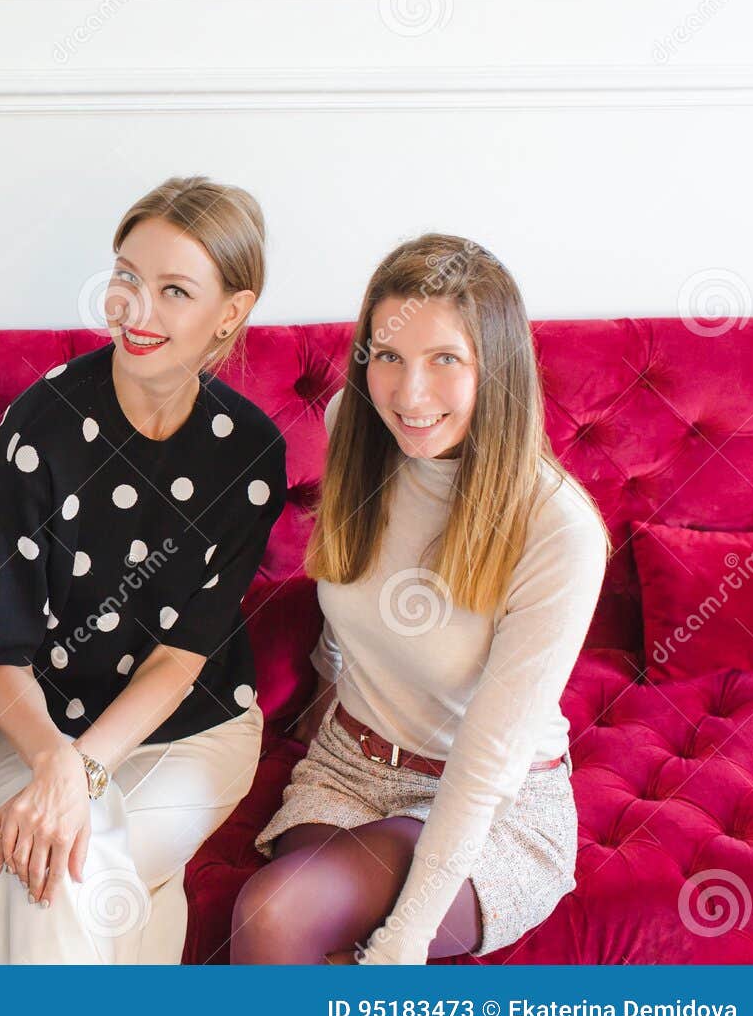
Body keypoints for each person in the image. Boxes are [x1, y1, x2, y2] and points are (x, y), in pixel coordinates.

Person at [232, 234, 608, 964]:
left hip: (490, 804)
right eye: (390, 356)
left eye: (445, 360)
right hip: (351, 769)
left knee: (277, 915)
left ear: (494, 368)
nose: (409, 394)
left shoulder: (557, 527)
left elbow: (487, 761)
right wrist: (320, 705)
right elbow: (345, 593)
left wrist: (402, 940)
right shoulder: (356, 425)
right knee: (300, 938)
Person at [0, 176, 287, 963]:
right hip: (21, 724)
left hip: (191, 728)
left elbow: (180, 657)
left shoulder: (249, 452)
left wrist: (83, 771)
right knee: (63, 874)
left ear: (230, 314)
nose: (136, 309)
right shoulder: (37, 429)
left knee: (46, 873)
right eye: (127, 277)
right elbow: (1, 659)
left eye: (174, 290)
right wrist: (55, 762)